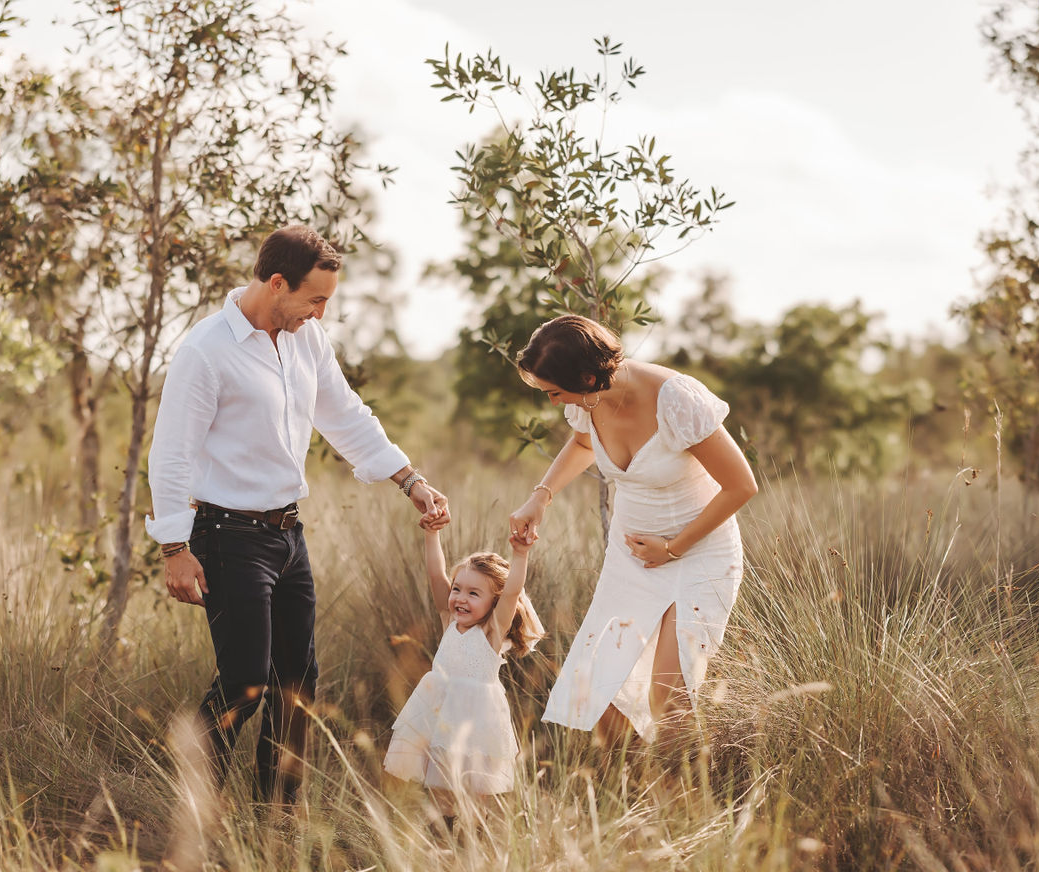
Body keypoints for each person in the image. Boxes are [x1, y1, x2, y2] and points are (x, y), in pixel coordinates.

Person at [146, 224, 447, 803]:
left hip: (288, 535)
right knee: (245, 685)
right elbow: (173, 453)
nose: (322, 313)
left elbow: (344, 413)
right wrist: (174, 548)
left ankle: (278, 817)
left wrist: (408, 478)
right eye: (316, 299)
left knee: (297, 686)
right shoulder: (205, 352)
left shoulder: (305, 339)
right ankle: (192, 808)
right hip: (225, 534)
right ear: (277, 283)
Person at [508, 314, 757, 747]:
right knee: (596, 691)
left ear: (587, 377)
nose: (552, 403)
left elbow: (741, 485)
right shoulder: (588, 400)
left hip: (697, 554)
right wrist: (540, 497)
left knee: (669, 698)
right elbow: (585, 442)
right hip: (631, 560)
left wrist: (673, 549)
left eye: (554, 392)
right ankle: (642, 790)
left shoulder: (676, 400)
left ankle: (687, 802)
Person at [384, 513, 543, 828]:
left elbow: (511, 592)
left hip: (476, 720)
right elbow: (435, 575)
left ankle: (473, 840)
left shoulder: (491, 632)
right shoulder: (449, 622)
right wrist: (432, 535)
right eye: (458, 589)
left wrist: (520, 554)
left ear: (493, 603)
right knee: (441, 787)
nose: (460, 598)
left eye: (474, 594)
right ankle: (445, 840)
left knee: (471, 789)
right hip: (440, 713)